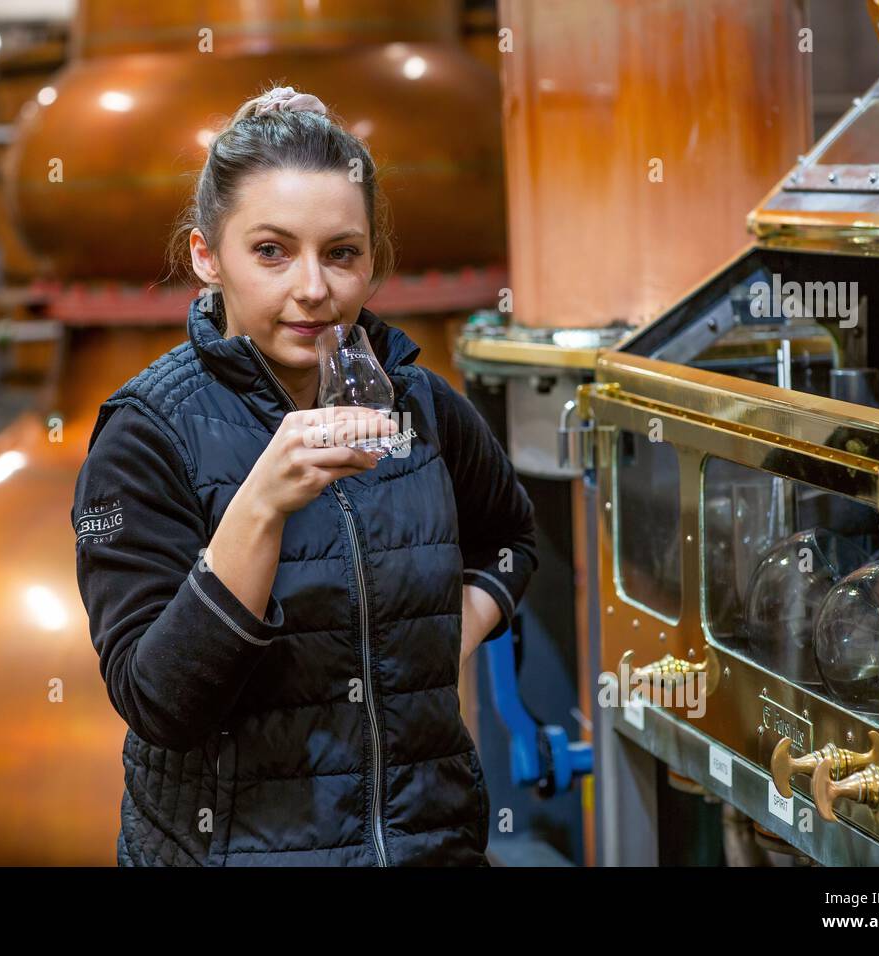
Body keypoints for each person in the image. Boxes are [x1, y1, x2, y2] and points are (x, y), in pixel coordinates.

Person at [71, 84, 538, 866]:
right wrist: (261, 501)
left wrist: (445, 637)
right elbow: (159, 703)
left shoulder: (418, 401)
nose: (314, 288)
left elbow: (511, 536)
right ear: (206, 256)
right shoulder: (146, 433)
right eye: (272, 252)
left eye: (342, 253)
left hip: (433, 844)